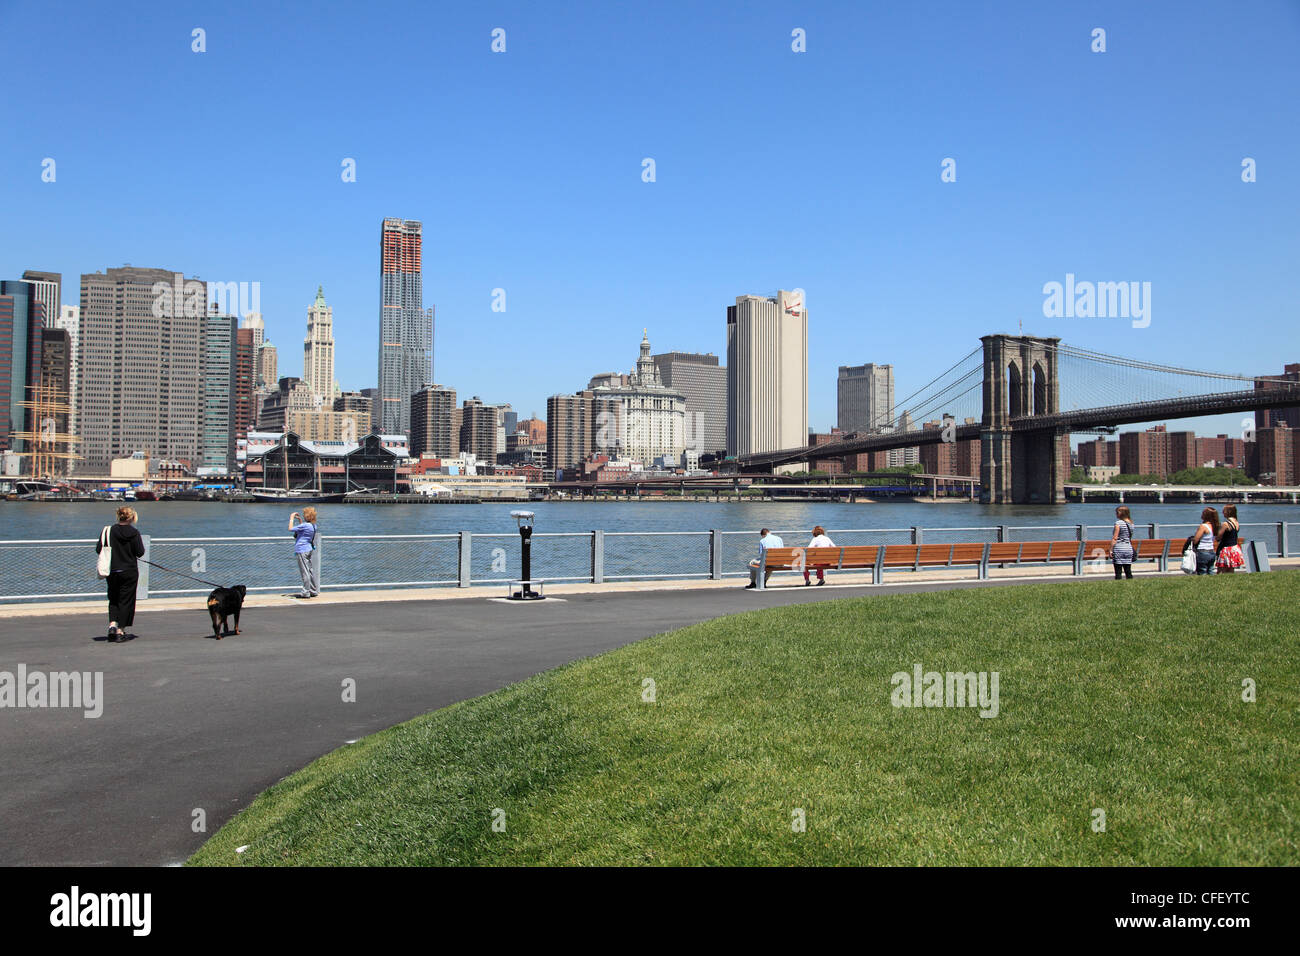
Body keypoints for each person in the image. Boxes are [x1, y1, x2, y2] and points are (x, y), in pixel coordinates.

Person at [96, 506, 145, 642]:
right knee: (126, 600)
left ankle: (112, 625)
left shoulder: (108, 531)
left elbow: (98, 549)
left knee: (113, 598)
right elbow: (140, 552)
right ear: (131, 517)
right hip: (129, 570)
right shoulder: (134, 533)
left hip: (112, 570)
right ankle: (120, 631)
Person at [289, 507, 319, 598]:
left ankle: (306, 592)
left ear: (307, 516)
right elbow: (303, 530)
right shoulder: (313, 526)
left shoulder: (305, 526)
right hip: (309, 549)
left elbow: (290, 528)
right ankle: (313, 590)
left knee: (305, 572)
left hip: (302, 550)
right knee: (310, 570)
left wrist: (291, 518)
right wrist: (300, 521)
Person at [1186, 507, 1220, 576]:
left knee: (1202, 572)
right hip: (1211, 551)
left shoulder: (1203, 526)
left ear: (1206, 515)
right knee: (1210, 571)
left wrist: (1191, 539)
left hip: (1202, 551)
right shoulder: (1215, 526)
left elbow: (1196, 540)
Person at [1215, 504, 1245, 573]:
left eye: (1224, 511)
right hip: (1234, 548)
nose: (1222, 512)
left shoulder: (1226, 524)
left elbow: (1218, 537)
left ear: (1228, 512)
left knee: (1221, 570)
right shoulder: (1236, 522)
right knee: (1231, 570)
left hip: (1226, 549)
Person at [1109, 506, 1136, 580]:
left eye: (1117, 512)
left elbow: (1115, 538)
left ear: (1121, 514)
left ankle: (1118, 585)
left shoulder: (1118, 523)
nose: (1116, 514)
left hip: (1119, 549)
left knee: (1118, 572)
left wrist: (1111, 550)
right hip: (1128, 548)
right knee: (1128, 571)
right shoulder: (1131, 524)